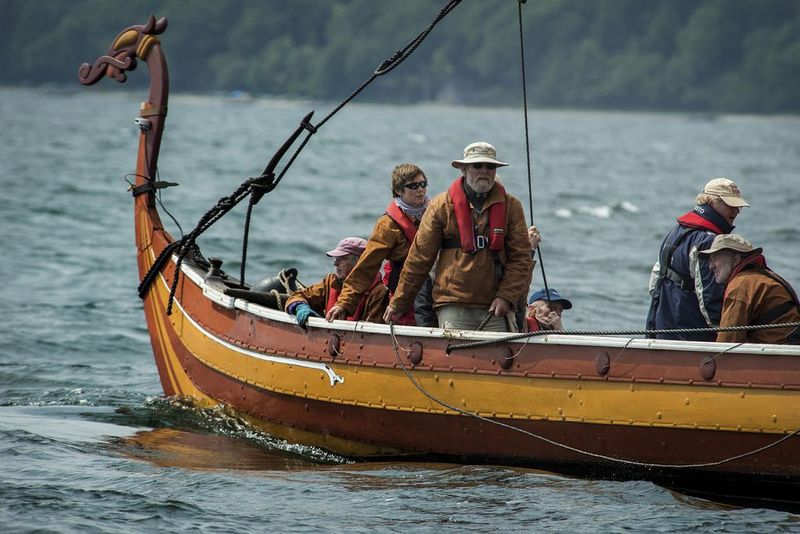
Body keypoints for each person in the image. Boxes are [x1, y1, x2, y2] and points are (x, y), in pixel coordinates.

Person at [383, 141, 531, 332]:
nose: (484, 171)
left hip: (496, 306)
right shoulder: (440, 206)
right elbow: (419, 259)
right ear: (463, 169)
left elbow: (521, 258)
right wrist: (399, 303)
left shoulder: (512, 206)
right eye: (477, 166)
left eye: (490, 166)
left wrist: (506, 296)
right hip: (453, 305)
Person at [326, 163, 431, 326]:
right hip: (405, 296)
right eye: (413, 186)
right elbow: (366, 266)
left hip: (436, 290)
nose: (420, 190)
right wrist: (344, 303)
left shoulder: (436, 213)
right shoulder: (387, 225)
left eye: (423, 184)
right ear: (399, 190)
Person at [646, 177, 750, 341]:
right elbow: (710, 297)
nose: (737, 210)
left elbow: (653, 284)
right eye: (731, 205)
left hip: (660, 326)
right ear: (711, 201)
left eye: (738, 206)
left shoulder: (677, 230)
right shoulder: (707, 241)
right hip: (689, 334)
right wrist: (726, 335)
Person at [699, 234, 800, 344]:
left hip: (779, 354)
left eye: (715, 258)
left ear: (736, 260)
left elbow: (727, 342)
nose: (711, 266)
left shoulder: (740, 285)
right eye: (710, 260)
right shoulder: (763, 276)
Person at [284, 237, 387, 328]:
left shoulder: (379, 292)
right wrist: (299, 306)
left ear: (359, 262)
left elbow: (373, 332)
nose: (335, 263)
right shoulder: (330, 282)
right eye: (336, 258)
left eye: (342, 258)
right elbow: (298, 296)